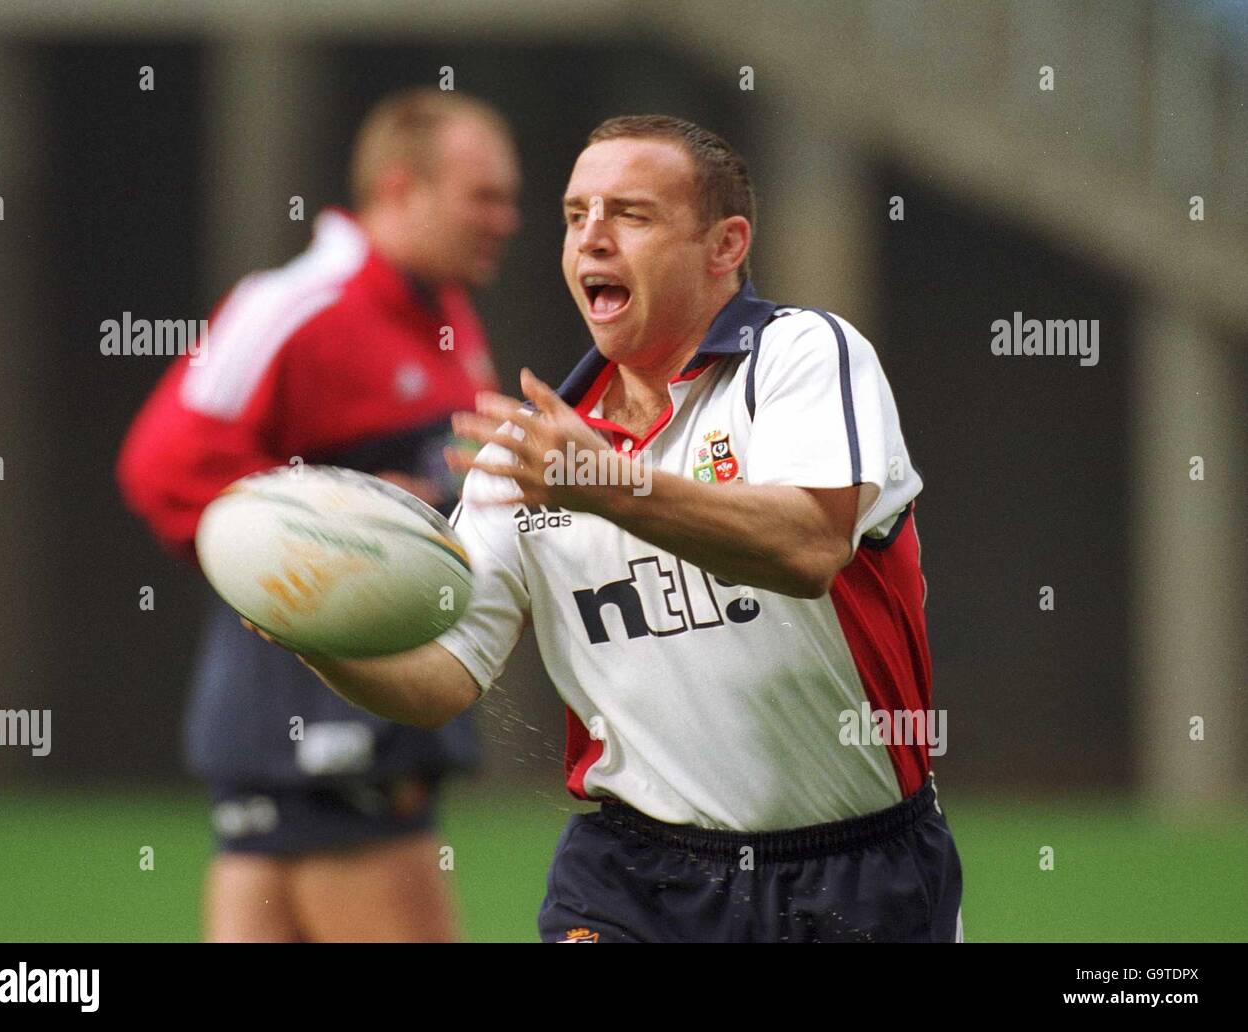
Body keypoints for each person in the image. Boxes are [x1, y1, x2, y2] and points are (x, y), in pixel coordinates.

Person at [255, 113, 962, 943]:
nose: (592, 238)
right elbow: (443, 678)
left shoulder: (802, 356)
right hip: (633, 875)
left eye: (630, 214)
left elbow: (809, 546)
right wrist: (309, 627)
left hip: (857, 870)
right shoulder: (522, 453)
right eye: (575, 214)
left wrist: (601, 482)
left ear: (726, 245)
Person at [118, 88, 521, 942]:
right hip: (316, 717)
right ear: (403, 187)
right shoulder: (296, 303)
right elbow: (162, 467)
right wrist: (329, 533)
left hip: (356, 716)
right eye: (483, 196)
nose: (506, 218)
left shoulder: (445, 308)